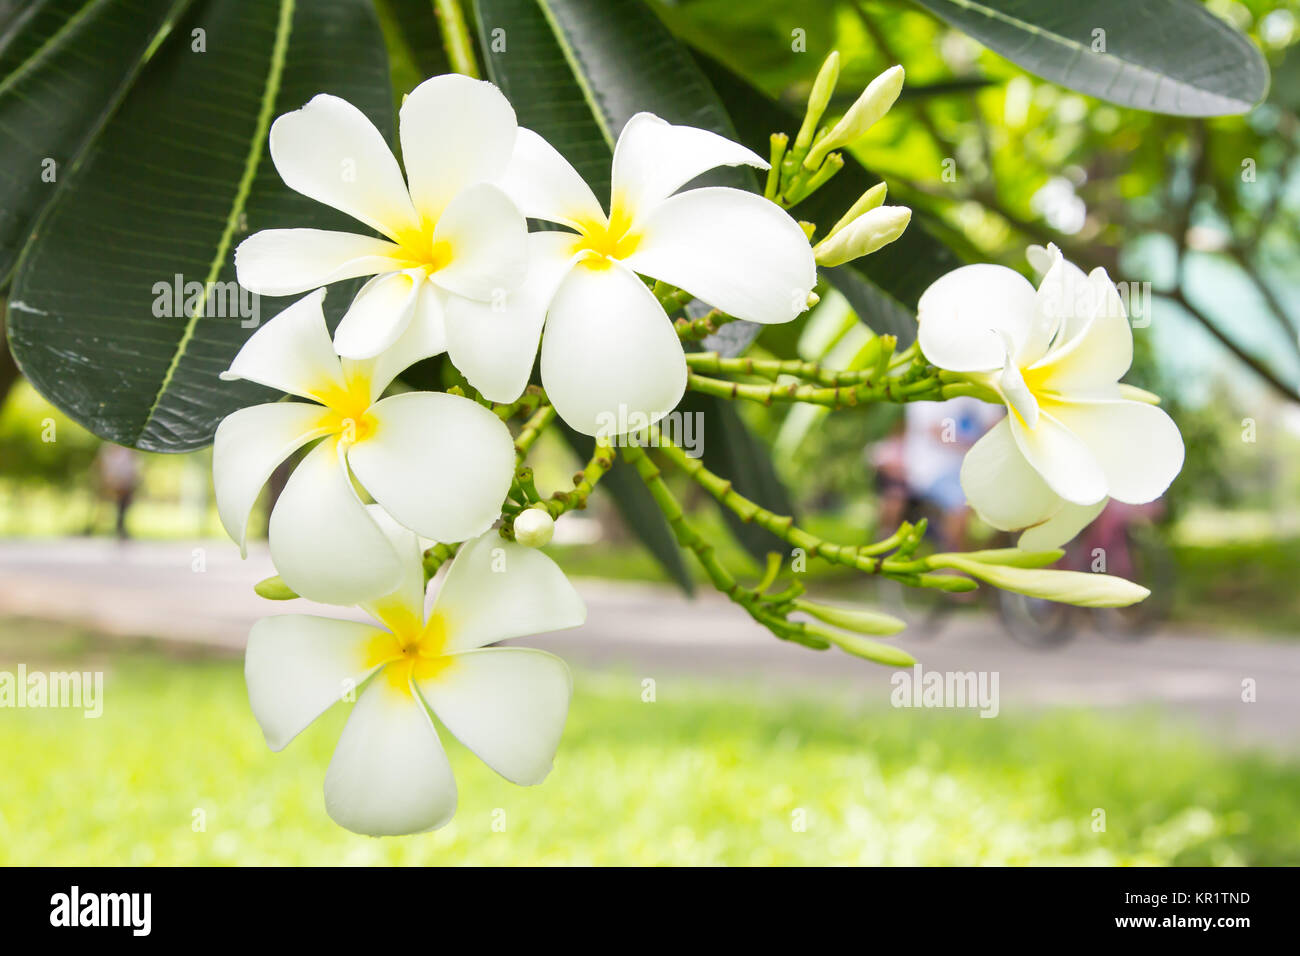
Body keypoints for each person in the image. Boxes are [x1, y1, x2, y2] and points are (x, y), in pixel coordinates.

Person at [901, 397, 1002, 550]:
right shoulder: (925, 397)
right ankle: (954, 562)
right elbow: (935, 430)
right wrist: (977, 447)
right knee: (961, 504)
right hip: (932, 471)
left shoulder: (977, 389)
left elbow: (997, 423)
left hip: (973, 469)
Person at [92, 443, 141, 540]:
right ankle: (101, 526)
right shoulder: (108, 448)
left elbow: (134, 463)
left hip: (126, 480)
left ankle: (120, 527)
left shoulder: (129, 448)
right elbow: (104, 463)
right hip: (114, 479)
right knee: (110, 505)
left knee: (123, 505)